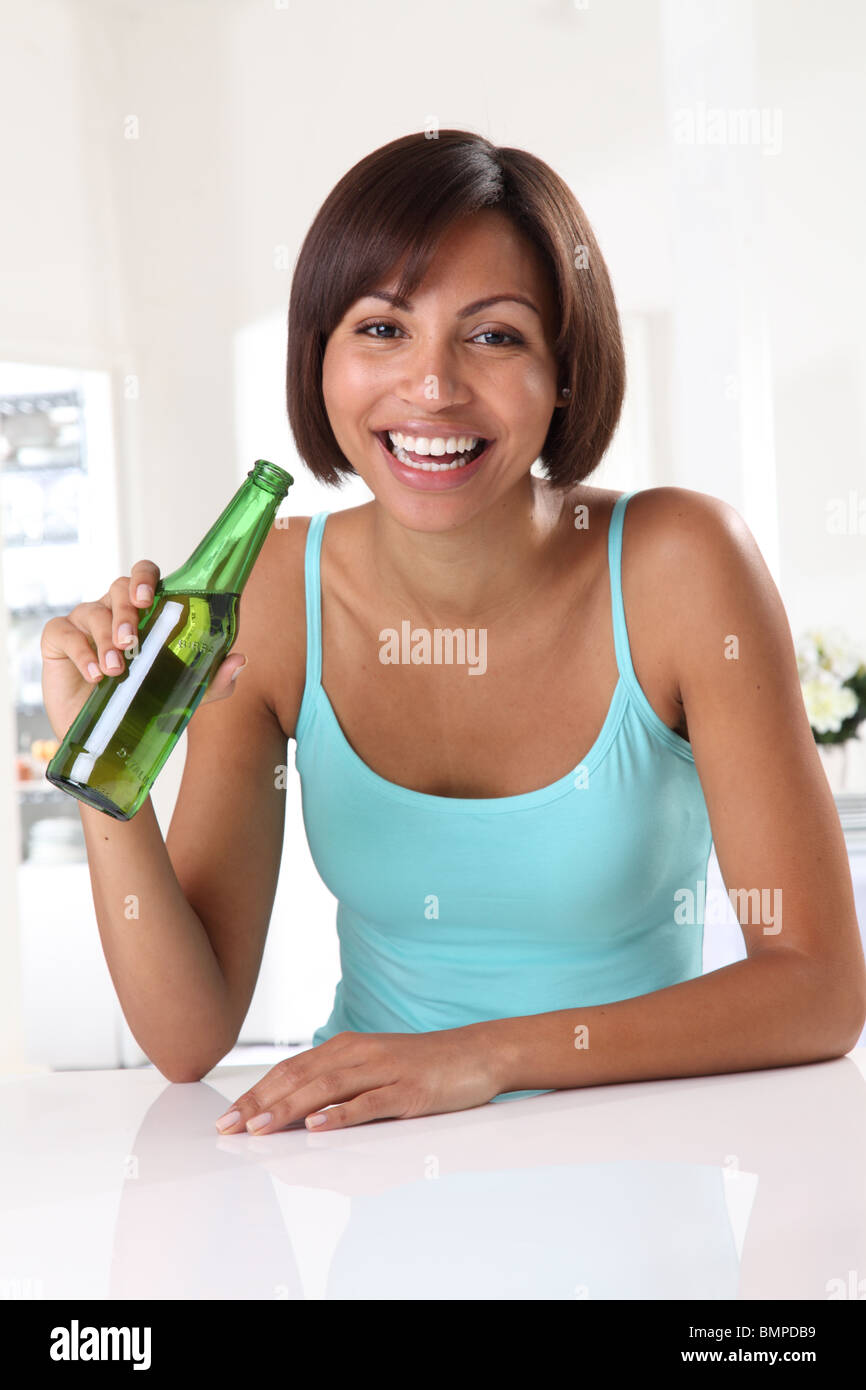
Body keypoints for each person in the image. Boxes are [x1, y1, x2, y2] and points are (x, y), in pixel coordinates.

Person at [41, 130, 866, 1135]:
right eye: (382, 329)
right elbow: (188, 1035)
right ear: (319, 359)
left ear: (564, 371)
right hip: (368, 1168)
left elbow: (816, 987)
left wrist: (479, 1057)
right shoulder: (270, 586)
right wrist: (105, 768)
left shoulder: (677, 563)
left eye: (493, 335)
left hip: (637, 1171)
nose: (431, 387)